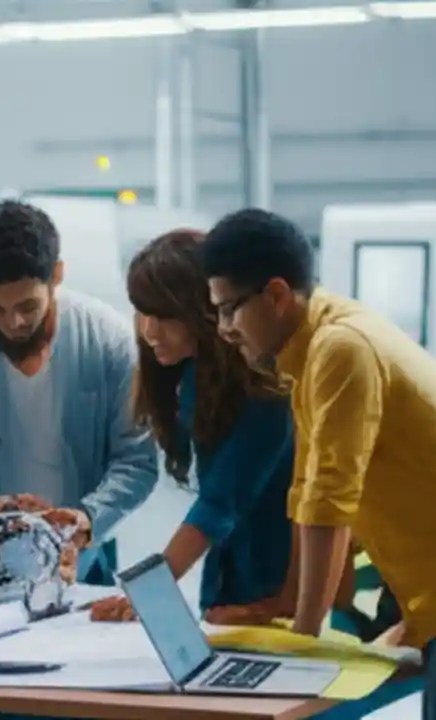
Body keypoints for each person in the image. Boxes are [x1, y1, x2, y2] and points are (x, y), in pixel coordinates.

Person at [202, 208, 436, 719]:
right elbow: (311, 494)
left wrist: (305, 639)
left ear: (278, 295)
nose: (224, 330)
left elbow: (329, 502)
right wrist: (293, 613)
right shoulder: (314, 351)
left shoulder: (340, 348)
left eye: (229, 310)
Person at [0, 200, 158, 583]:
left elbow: (136, 461)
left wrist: (88, 519)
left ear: (56, 275)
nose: (13, 322)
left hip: (84, 560)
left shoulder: (110, 343)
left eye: (28, 306)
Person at [91, 230, 294, 624]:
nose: (149, 332)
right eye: (143, 313)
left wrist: (148, 592)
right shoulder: (194, 375)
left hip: (278, 588)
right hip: (226, 577)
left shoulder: (265, 390)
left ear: (205, 309)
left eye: (164, 316)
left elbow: (218, 503)